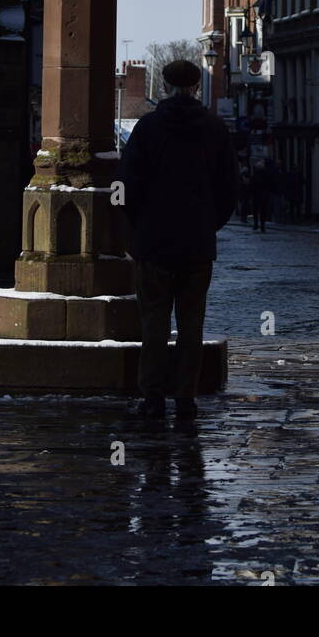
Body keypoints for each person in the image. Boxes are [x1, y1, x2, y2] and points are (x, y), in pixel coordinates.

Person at [119, 60, 239, 421]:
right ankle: (186, 396)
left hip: (153, 241)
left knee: (153, 321)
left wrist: (139, 226)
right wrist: (207, 224)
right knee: (191, 323)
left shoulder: (149, 126)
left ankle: (152, 396)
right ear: (197, 86)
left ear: (165, 84)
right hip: (196, 243)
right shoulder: (214, 129)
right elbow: (229, 189)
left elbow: (127, 185)